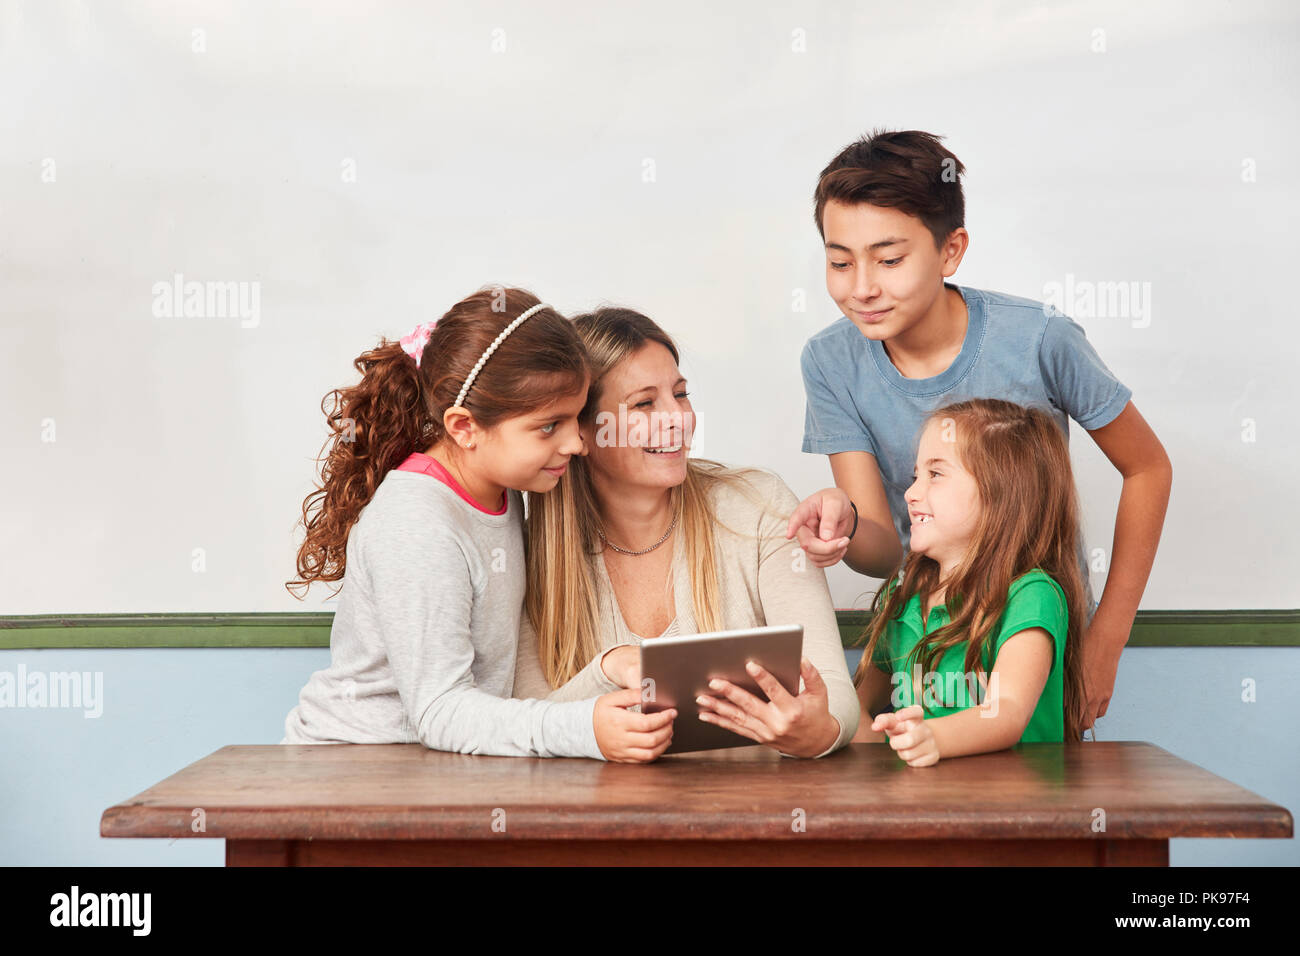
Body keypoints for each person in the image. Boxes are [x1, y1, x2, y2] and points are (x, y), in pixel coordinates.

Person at [788, 129, 1172, 735]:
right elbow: (886, 548)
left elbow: (1147, 467)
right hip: (926, 659)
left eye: (889, 260)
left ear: (951, 251)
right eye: (839, 262)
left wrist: (1107, 639)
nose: (860, 287)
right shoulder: (830, 362)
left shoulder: (1040, 338)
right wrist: (845, 525)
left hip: (1032, 654)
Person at [280, 287, 676, 762]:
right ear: (464, 428)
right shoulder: (418, 522)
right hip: (355, 766)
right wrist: (583, 729)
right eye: (549, 426)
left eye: (576, 419)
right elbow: (439, 710)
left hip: (438, 763)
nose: (577, 443)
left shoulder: (502, 491)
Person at [512, 307, 859, 758]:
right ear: (583, 430)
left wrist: (818, 733)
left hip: (752, 812)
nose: (678, 418)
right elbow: (524, 721)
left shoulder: (759, 506)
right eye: (644, 403)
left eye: (680, 394)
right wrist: (610, 669)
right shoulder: (531, 549)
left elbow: (832, 690)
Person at [853, 398, 1086, 765]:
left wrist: (934, 737)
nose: (911, 493)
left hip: (1020, 815)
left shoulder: (1031, 595)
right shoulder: (904, 600)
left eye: (935, 474)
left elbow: (1006, 710)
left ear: (1001, 493)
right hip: (927, 811)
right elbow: (856, 710)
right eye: (916, 476)